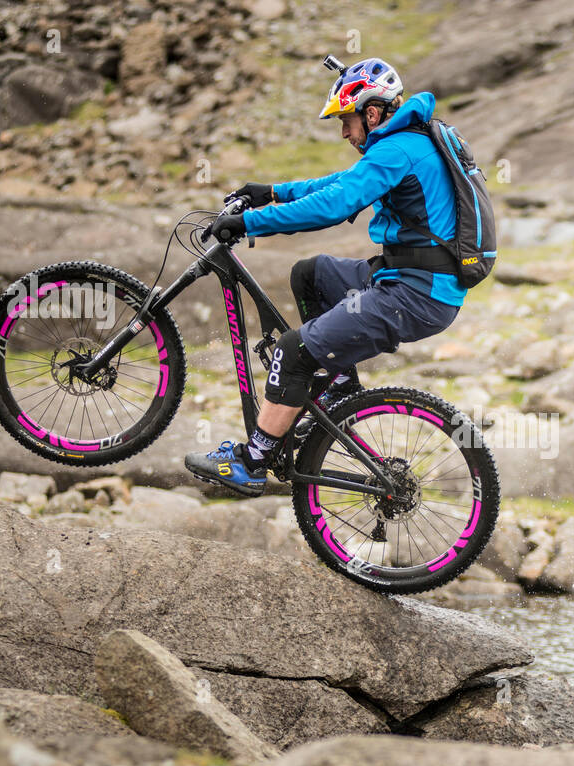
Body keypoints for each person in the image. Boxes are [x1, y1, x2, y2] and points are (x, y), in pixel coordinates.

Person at [185, 57, 470, 497]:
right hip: (410, 279)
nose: (344, 133)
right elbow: (342, 183)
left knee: (292, 351)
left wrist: (250, 222)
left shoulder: (397, 150)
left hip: (416, 294)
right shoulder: (405, 142)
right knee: (310, 275)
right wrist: (272, 192)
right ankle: (339, 389)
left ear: (371, 113)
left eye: (346, 121)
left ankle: (253, 462)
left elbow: (336, 205)